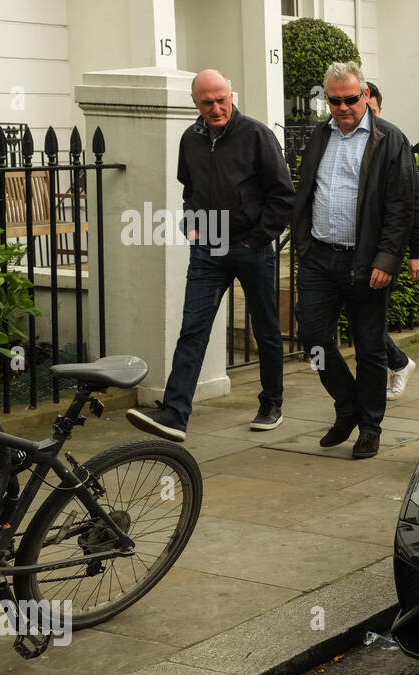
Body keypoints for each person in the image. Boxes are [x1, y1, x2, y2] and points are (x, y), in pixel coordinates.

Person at [126, 69, 295, 442]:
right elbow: (190, 189)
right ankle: (174, 413)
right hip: (209, 247)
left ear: (231, 96)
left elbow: (283, 194)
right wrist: (192, 226)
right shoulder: (190, 139)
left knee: (265, 328)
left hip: (252, 246)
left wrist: (256, 240)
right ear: (195, 103)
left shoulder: (256, 135)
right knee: (193, 329)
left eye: (222, 99)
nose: (216, 108)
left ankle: (271, 404)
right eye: (207, 102)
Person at [291, 61, 419, 459]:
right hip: (318, 255)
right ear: (326, 99)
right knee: (312, 337)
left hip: (366, 262)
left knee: (370, 348)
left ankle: (370, 426)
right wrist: (301, 242)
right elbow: (307, 188)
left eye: (351, 99)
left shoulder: (389, 139)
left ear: (366, 94)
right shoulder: (319, 134)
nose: (344, 107)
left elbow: (403, 205)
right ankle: (347, 405)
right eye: (335, 100)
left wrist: (388, 258)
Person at [363, 80, 418, 399]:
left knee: (368, 323)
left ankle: (397, 364)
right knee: (361, 324)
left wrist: (416, 252)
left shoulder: (393, 142)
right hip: (352, 250)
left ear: (378, 108)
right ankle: (397, 364)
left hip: (383, 250)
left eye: (368, 109)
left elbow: (410, 205)